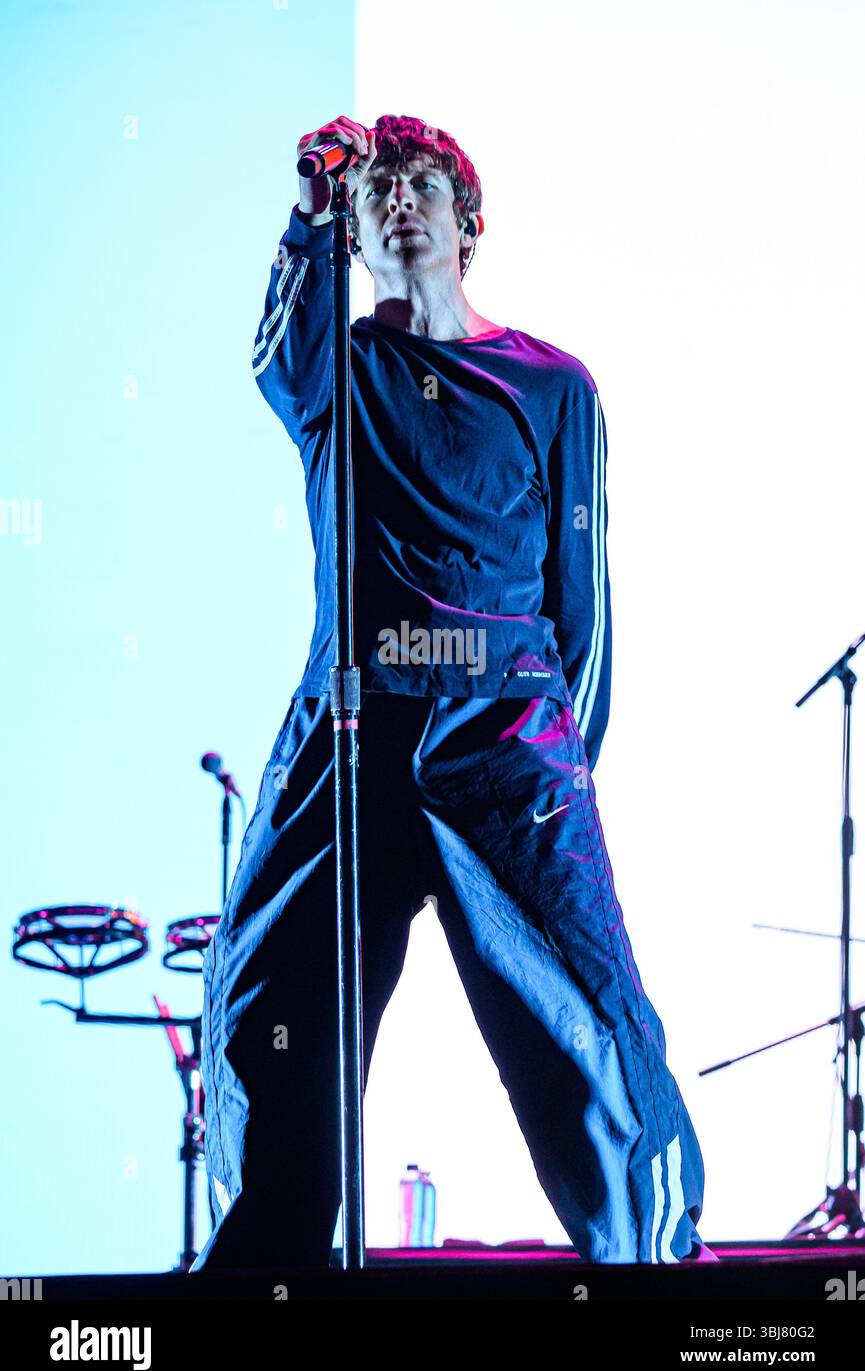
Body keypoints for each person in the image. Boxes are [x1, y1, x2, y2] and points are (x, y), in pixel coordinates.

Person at [190, 113, 715, 1271]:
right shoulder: (345, 369)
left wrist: (553, 758)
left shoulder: (554, 386)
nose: (398, 201)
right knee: (279, 1006)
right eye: (379, 191)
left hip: (506, 732)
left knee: (585, 1015)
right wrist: (309, 211)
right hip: (355, 723)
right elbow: (281, 357)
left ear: (467, 222)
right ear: (361, 235)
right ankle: (268, 1273)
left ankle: (649, 1262)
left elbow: (580, 603)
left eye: (421, 182)